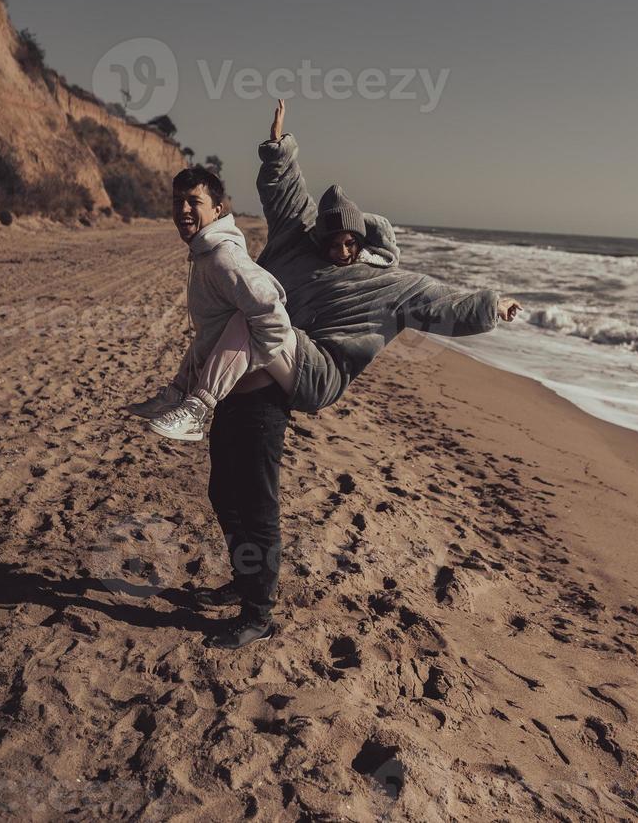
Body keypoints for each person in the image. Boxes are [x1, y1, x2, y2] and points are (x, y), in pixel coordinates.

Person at [200, 101, 522, 650]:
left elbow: (445, 301)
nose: (341, 248)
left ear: (362, 241)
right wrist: (278, 147)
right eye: (334, 240)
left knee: (256, 497)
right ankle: (242, 578)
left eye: (351, 242)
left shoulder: (385, 283)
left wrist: (494, 306)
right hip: (247, 372)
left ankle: (259, 610)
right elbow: (285, 195)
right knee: (223, 489)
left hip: (311, 373)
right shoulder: (299, 244)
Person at [128, 165, 296, 441]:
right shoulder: (203, 254)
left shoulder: (224, 258)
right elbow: (214, 333)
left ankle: (195, 409)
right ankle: (178, 394)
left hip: (259, 401)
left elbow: (274, 321)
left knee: (242, 320)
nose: (183, 209)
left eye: (193, 201)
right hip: (232, 395)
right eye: (177, 201)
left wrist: (247, 368)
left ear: (217, 210)